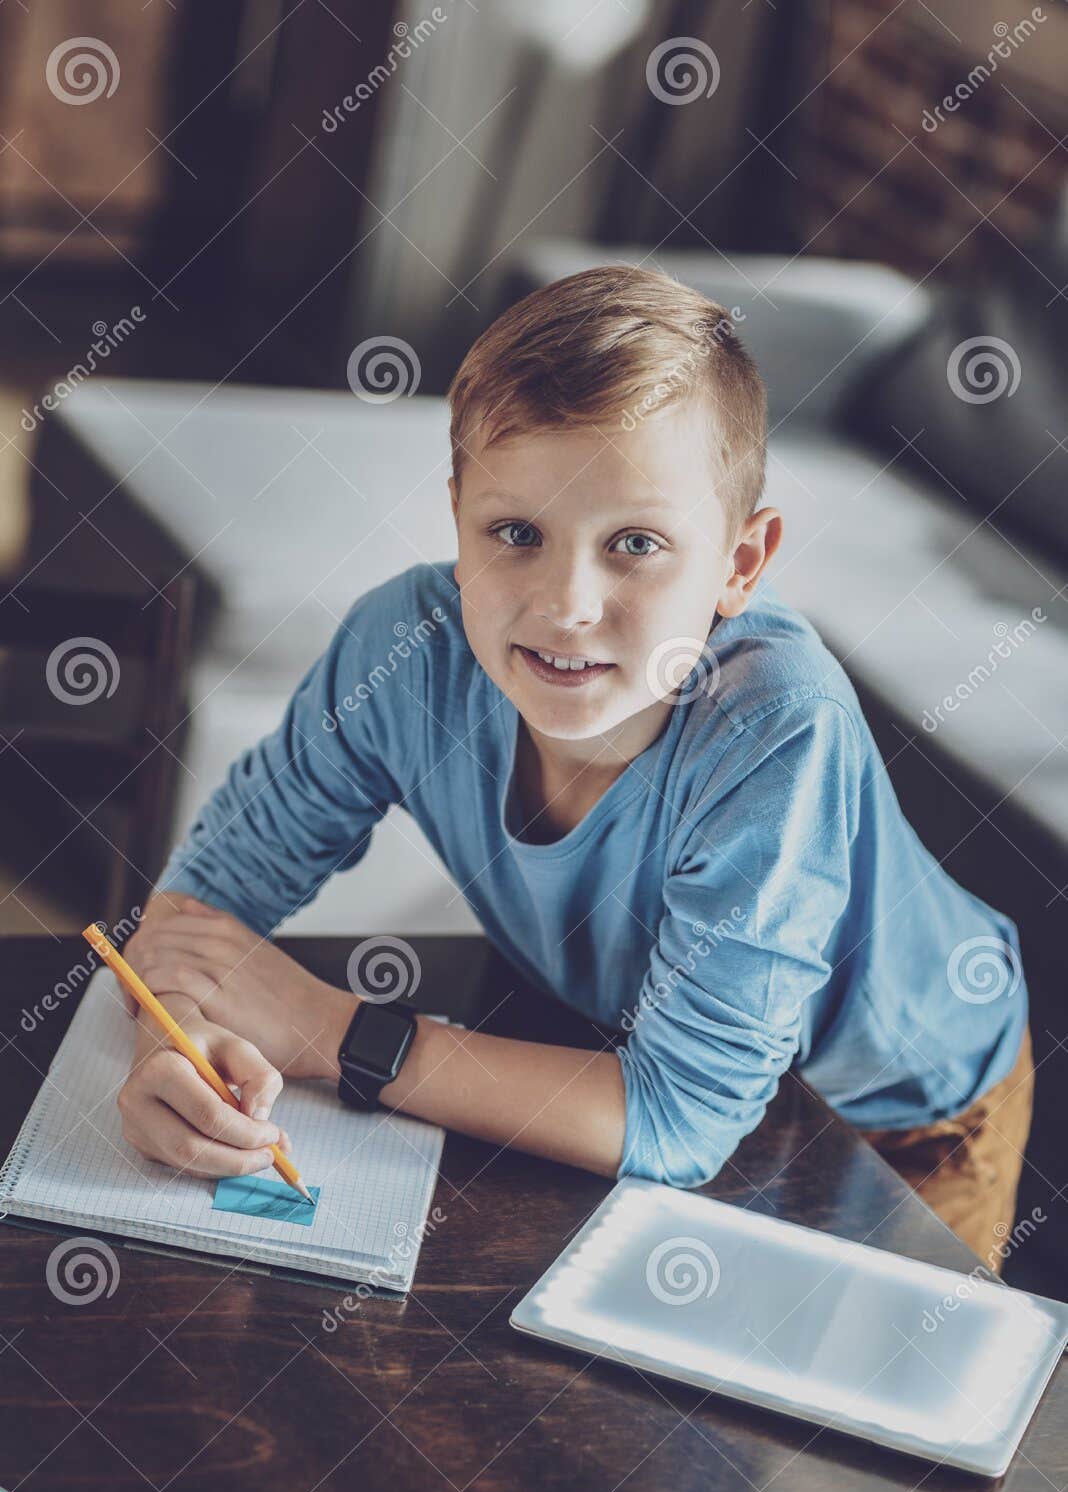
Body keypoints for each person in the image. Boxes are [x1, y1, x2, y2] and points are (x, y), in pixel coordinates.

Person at [118, 267, 1033, 1270]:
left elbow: (680, 1125)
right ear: (458, 518)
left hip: (896, 1116)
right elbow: (202, 906)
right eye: (516, 533)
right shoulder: (403, 649)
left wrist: (330, 1030)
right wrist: (181, 1046)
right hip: (631, 1050)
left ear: (740, 564)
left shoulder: (777, 728)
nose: (565, 605)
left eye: (635, 543)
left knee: (864, 1401)